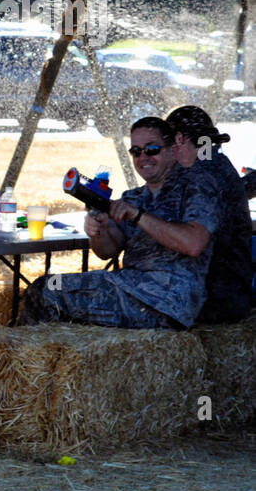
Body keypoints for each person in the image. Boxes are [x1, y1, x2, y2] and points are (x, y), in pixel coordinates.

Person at [19, 116, 218, 328]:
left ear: (171, 150)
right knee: (48, 285)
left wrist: (138, 216)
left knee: (44, 292)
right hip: (128, 289)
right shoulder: (134, 197)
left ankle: (10, 353)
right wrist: (99, 230)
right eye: (136, 151)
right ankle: (16, 350)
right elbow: (106, 252)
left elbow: (194, 243)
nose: (143, 157)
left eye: (152, 149)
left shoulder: (196, 188)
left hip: (165, 303)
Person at [165, 105, 252, 323]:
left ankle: (60, 285)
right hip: (226, 294)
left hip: (210, 299)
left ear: (179, 139)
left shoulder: (201, 175)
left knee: (65, 287)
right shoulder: (213, 163)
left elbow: (188, 241)